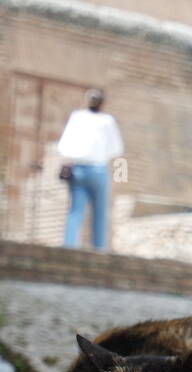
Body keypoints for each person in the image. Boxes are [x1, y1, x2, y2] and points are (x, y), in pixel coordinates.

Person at [56, 89, 124, 251]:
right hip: (98, 169)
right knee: (99, 212)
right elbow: (116, 149)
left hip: (79, 169)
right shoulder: (107, 121)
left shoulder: (77, 117)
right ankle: (99, 248)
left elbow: (63, 146)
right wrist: (99, 155)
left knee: (75, 210)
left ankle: (69, 246)